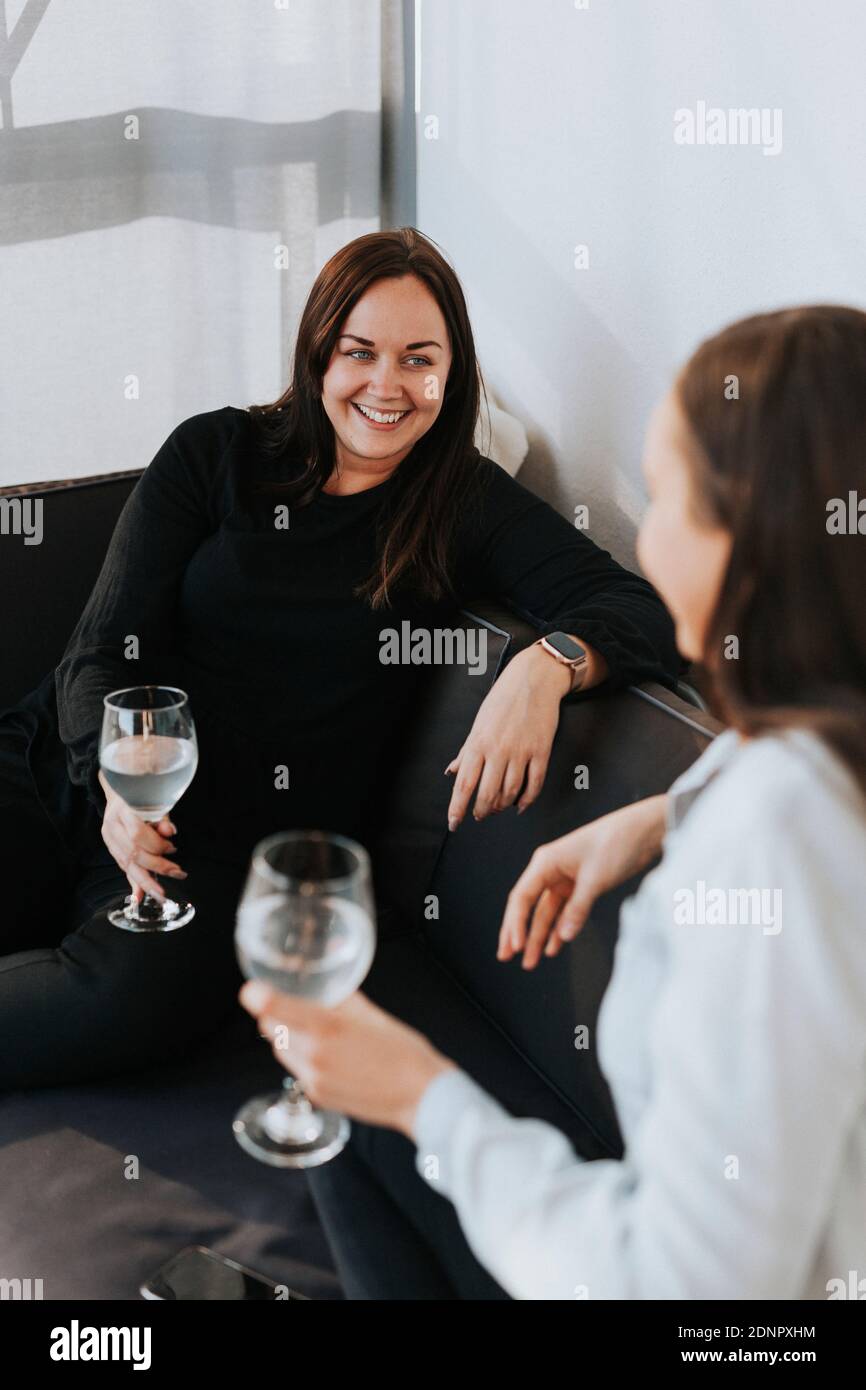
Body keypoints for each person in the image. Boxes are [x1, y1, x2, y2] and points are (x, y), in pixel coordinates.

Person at [241, 304, 866, 1300]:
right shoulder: (802, 771)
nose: (644, 536)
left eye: (664, 498)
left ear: (755, 541)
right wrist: (663, 817)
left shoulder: (775, 836)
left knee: (366, 1096)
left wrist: (426, 1095)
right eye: (356, 353)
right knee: (344, 1108)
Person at [0, 227, 679, 1089]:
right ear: (319, 351)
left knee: (134, 1004)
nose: (387, 386)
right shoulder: (214, 453)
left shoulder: (463, 502)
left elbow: (640, 606)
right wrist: (110, 781)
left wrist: (546, 665)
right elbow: (97, 652)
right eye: (360, 352)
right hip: (67, 773)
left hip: (220, 854)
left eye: (417, 359)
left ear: (451, 373)